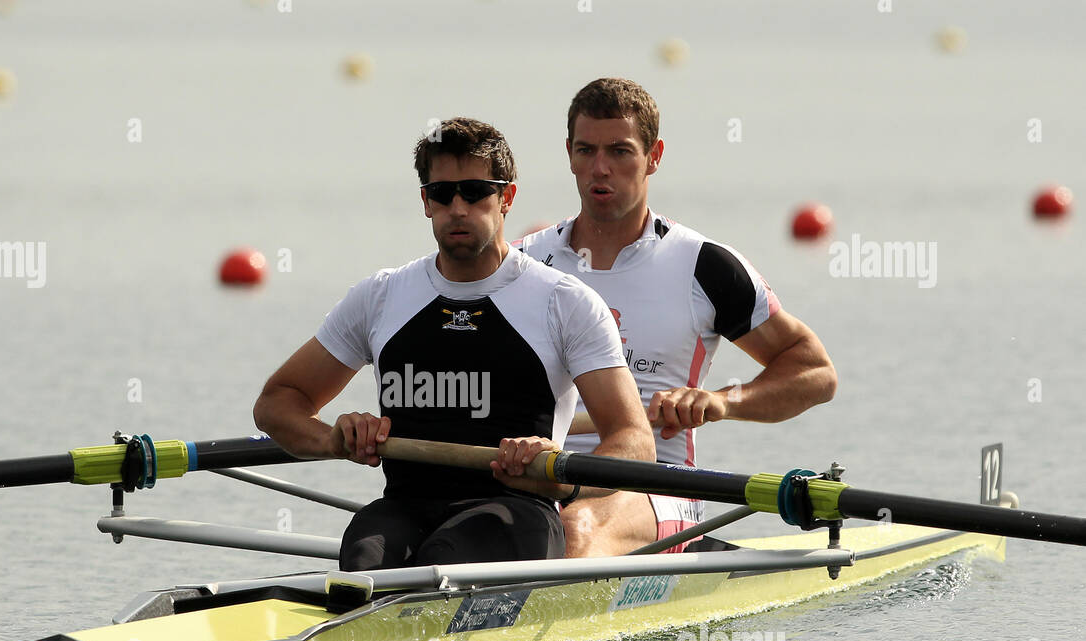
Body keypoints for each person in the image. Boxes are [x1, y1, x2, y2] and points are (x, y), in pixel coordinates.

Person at [253, 117, 655, 572]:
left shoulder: (564, 303)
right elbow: (277, 403)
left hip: (516, 513)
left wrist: (561, 477)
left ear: (507, 197)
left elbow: (634, 442)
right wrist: (332, 438)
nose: (458, 207)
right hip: (403, 510)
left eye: (476, 191)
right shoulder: (381, 296)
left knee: (448, 560)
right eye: (442, 194)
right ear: (425, 202)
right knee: (365, 557)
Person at [518, 78, 837, 557]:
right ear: (569, 154)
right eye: (585, 150)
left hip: (657, 485)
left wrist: (722, 401)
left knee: (577, 528)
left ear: (654, 156)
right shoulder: (523, 263)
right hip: (539, 475)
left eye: (620, 151)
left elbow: (815, 373)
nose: (599, 169)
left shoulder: (703, 265)